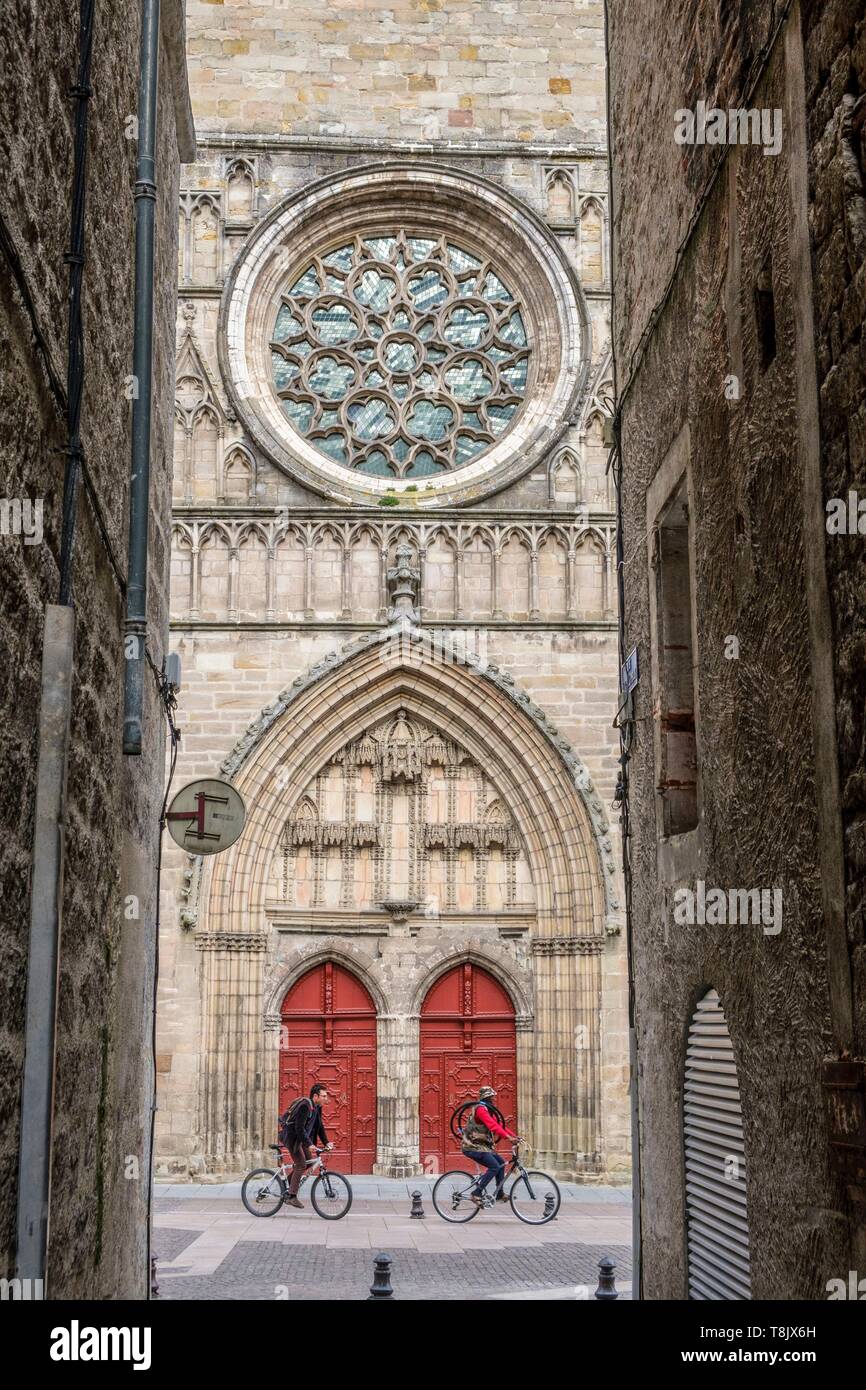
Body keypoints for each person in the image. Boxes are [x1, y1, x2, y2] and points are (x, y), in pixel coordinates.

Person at [460, 1085, 519, 1204]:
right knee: (494, 1166)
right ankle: (476, 1193)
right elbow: (492, 1126)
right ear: (486, 1098)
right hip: (473, 1146)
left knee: (501, 1163)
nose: (494, 1100)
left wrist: (514, 1136)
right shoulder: (481, 1109)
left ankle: (499, 1193)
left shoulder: (487, 1110)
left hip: (482, 1146)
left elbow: (498, 1125)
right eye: (491, 1097)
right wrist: (508, 1138)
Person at [284, 1083, 332, 1209]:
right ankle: (291, 1197)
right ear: (315, 1096)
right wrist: (309, 1144)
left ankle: (288, 1184)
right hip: (292, 1138)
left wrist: (326, 1142)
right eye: (324, 1096)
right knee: (301, 1164)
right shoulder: (305, 1106)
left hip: (301, 1139)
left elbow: (319, 1126)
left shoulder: (317, 1107)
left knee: (309, 1162)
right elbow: (298, 1128)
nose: (326, 1099)